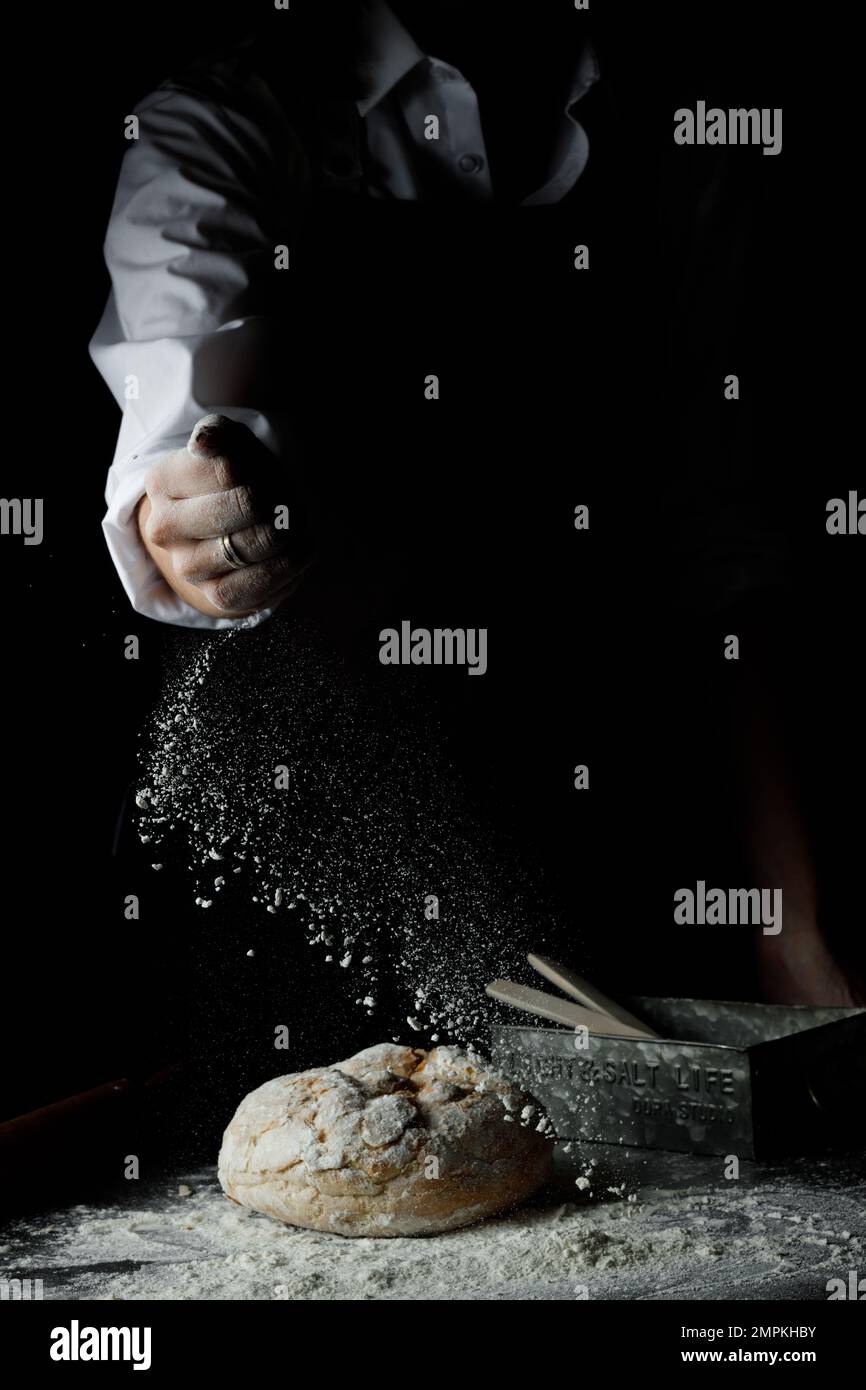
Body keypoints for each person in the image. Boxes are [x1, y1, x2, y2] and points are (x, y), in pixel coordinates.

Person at [91, 0, 862, 1034]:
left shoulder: (681, 127)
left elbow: (723, 534)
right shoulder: (228, 124)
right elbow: (177, 425)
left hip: (611, 819)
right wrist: (191, 530)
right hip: (315, 866)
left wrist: (791, 920)